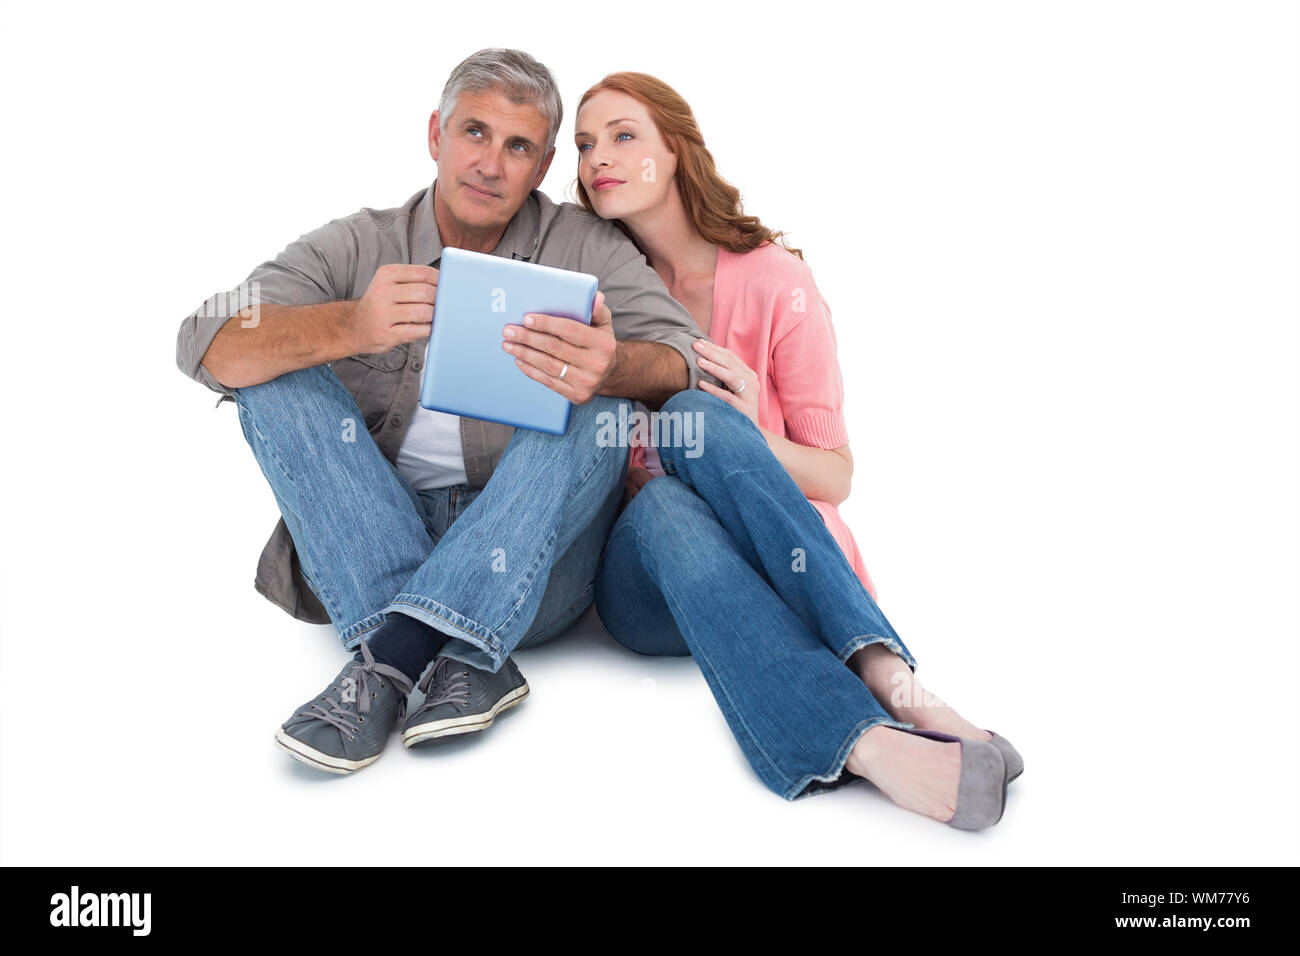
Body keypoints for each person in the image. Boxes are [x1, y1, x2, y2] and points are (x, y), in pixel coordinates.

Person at [174, 49, 723, 774]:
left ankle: (388, 661)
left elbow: (684, 356)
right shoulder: (358, 243)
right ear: (435, 133)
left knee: (601, 406)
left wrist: (611, 364)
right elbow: (203, 339)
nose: (491, 165)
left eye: (517, 146)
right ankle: (456, 651)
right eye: (474, 133)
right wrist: (349, 327)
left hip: (533, 559)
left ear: (543, 163)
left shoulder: (584, 244)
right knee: (274, 376)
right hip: (372, 540)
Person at [580, 73, 1023, 828]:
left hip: (782, 571)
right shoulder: (594, 293)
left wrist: (747, 434)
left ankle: (880, 722)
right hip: (651, 584)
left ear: (677, 152)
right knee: (662, 500)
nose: (598, 159)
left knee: (702, 416)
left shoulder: (777, 282)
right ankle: (878, 690)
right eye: (586, 144)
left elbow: (838, 475)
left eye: (624, 135)